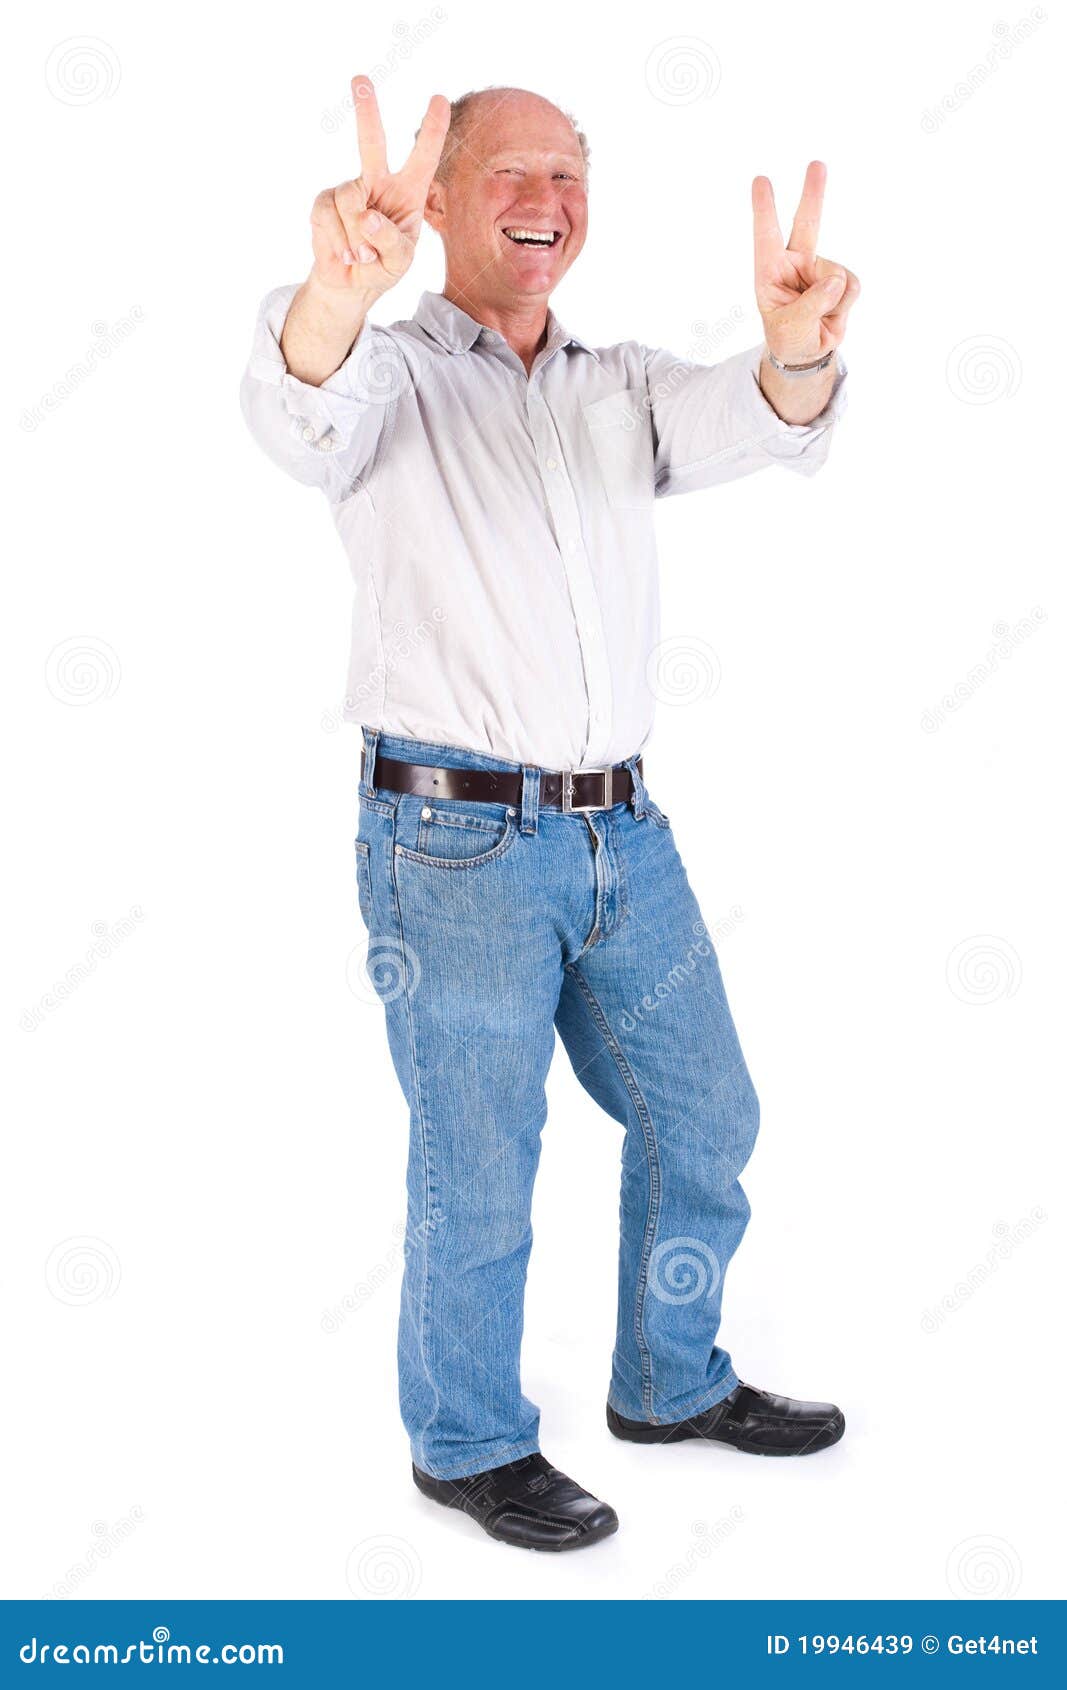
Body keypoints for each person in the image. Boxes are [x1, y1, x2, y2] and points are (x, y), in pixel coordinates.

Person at [240, 76, 860, 1554]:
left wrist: (793, 354)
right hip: (451, 846)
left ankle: (669, 1380)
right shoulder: (388, 372)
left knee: (706, 1112)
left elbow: (767, 415)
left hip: (622, 837)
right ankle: (466, 1443)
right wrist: (335, 294)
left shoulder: (617, 383)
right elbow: (301, 402)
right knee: (481, 1162)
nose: (546, 198)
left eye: (569, 173)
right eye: (510, 170)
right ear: (440, 196)